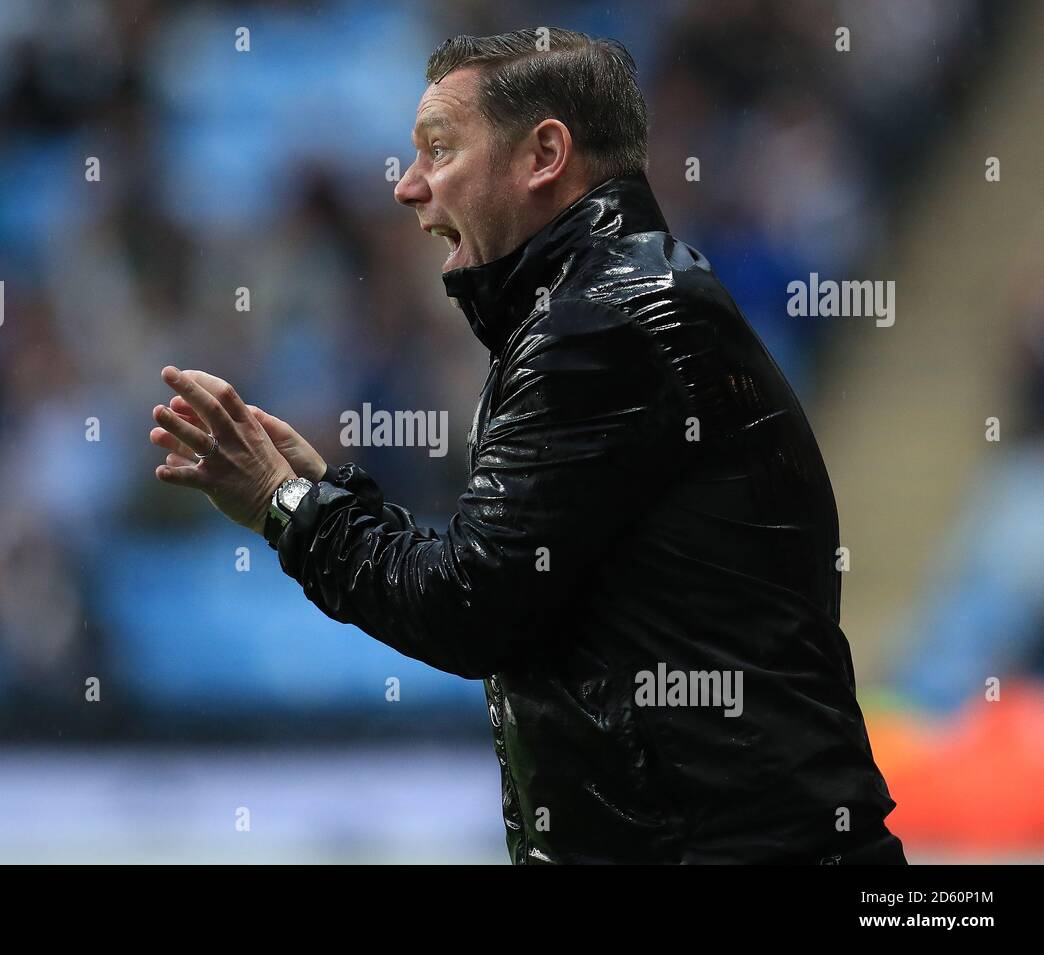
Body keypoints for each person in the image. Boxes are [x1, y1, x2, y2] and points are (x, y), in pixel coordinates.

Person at [148, 28, 904, 865]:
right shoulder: (615, 301)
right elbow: (514, 578)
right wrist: (327, 491)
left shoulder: (602, 321)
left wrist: (287, 508)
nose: (406, 187)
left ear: (545, 153)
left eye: (439, 148)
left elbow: (471, 605)